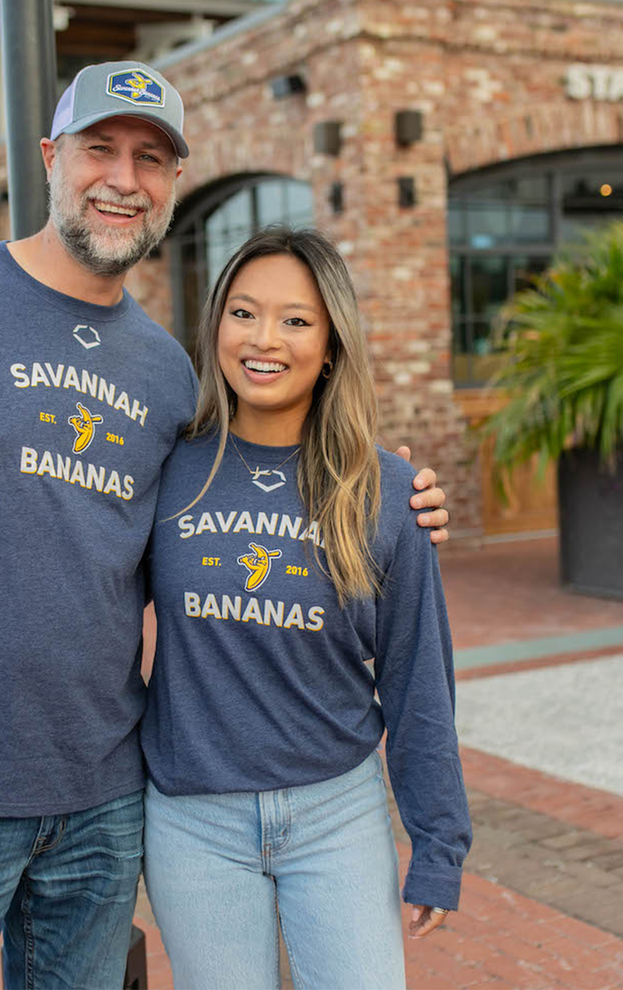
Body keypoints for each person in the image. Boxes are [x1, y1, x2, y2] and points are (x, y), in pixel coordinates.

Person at [0, 63, 451, 990]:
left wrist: (391, 488)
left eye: (150, 158)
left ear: (172, 186)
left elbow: (260, 462)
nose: (123, 178)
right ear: (51, 157)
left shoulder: (169, 375)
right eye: (100, 150)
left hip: (101, 808)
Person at [141, 227, 471, 990]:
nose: (265, 339)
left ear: (329, 348)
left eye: (296, 320)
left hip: (337, 813)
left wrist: (439, 843)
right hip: (195, 820)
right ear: (215, 325)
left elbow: (419, 678)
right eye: (243, 313)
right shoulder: (166, 469)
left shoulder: (387, 493)